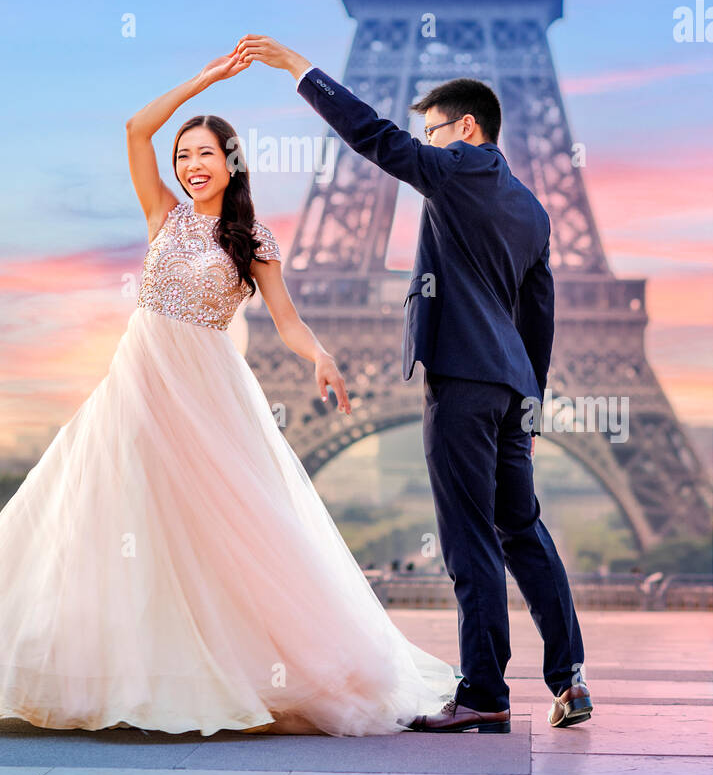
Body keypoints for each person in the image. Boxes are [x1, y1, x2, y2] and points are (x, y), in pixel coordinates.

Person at [0, 51, 457, 736]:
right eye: (184, 153)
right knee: (116, 516)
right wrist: (204, 81)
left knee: (216, 528)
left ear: (231, 162)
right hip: (139, 382)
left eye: (206, 153)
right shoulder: (161, 212)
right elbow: (135, 128)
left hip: (205, 389)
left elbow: (286, 320)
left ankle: (220, 670)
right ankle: (114, 671)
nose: (191, 164)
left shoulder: (252, 238)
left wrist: (320, 355)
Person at [235, 35, 592, 733]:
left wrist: (298, 70)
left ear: (466, 129)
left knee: (468, 542)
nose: (425, 143)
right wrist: (528, 400)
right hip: (511, 389)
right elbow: (538, 318)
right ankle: (568, 678)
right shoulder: (531, 210)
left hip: (461, 379)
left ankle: (484, 694)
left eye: (433, 131)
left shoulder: (456, 172)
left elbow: (374, 138)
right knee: (521, 529)